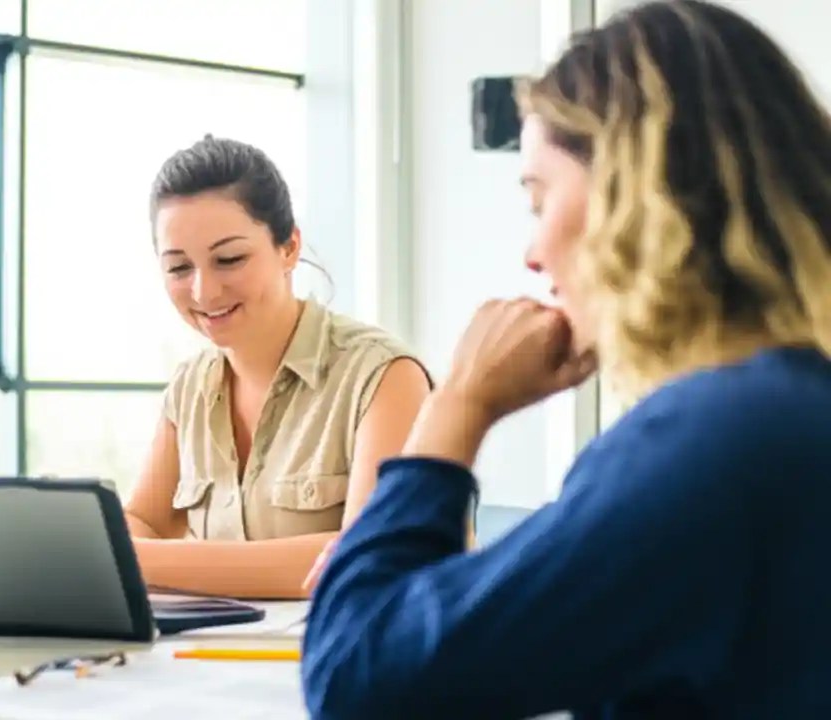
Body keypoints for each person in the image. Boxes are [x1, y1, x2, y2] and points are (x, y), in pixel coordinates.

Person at [300, 1, 831, 717]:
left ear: (634, 193)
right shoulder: (791, 412)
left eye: (539, 199)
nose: (533, 251)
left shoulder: (713, 444)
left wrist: (457, 404)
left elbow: (352, 674)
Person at [123, 136, 433, 599]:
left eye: (229, 259)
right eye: (179, 268)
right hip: (213, 664)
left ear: (289, 248)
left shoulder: (384, 376)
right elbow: (144, 520)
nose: (204, 292)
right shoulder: (190, 385)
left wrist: (139, 558)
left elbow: (371, 556)